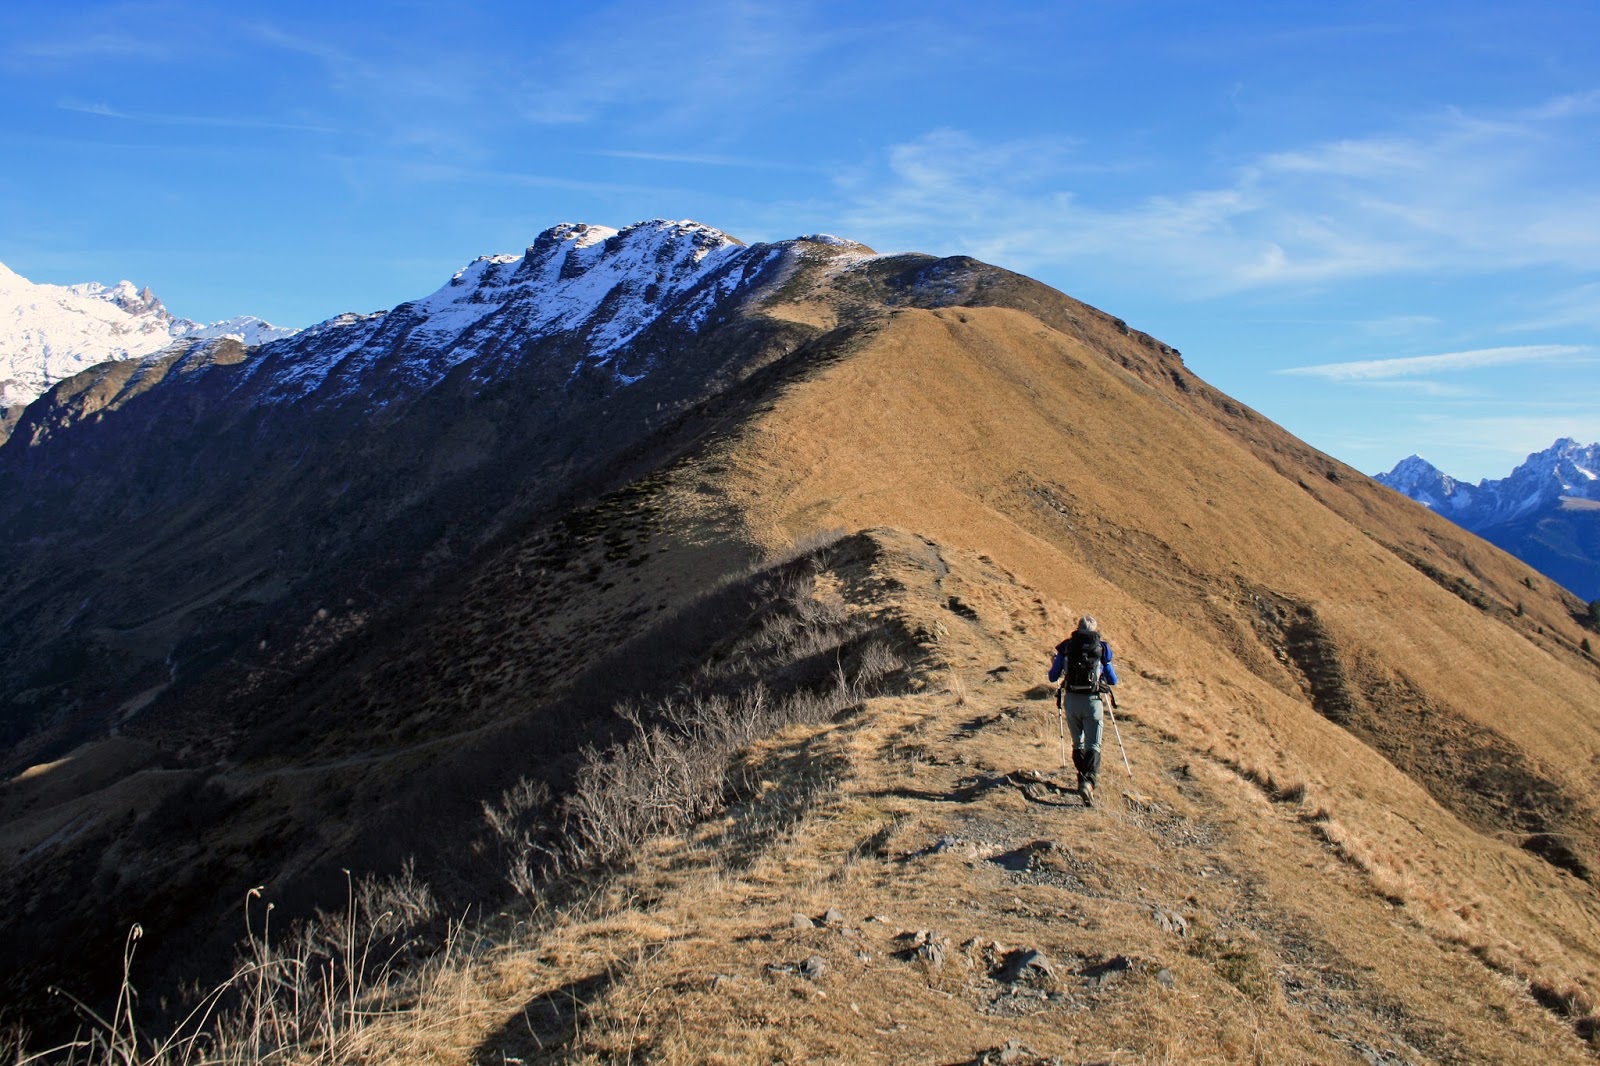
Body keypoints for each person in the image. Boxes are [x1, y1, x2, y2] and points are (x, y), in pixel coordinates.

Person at [1047, 615, 1118, 804]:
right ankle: (1088, 782)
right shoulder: (1102, 649)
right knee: (1093, 745)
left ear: (1077, 629)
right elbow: (1113, 680)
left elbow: (1053, 677)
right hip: (1092, 702)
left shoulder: (1066, 647)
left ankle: (1082, 779)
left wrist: (1055, 663)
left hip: (1071, 701)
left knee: (1078, 743)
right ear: (1094, 630)